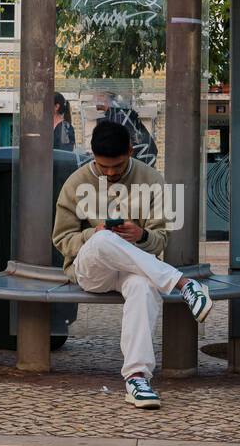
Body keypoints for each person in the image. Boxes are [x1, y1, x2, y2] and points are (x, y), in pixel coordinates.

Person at [52, 121, 212, 410]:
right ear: (93, 155)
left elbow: (161, 240)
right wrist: (95, 233)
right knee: (102, 242)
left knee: (143, 286)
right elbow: (62, 240)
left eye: (118, 165)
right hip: (90, 271)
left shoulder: (152, 180)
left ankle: (137, 378)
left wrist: (141, 235)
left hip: (134, 269)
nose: (111, 173)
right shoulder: (76, 183)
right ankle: (184, 284)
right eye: (104, 167)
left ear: (130, 150)